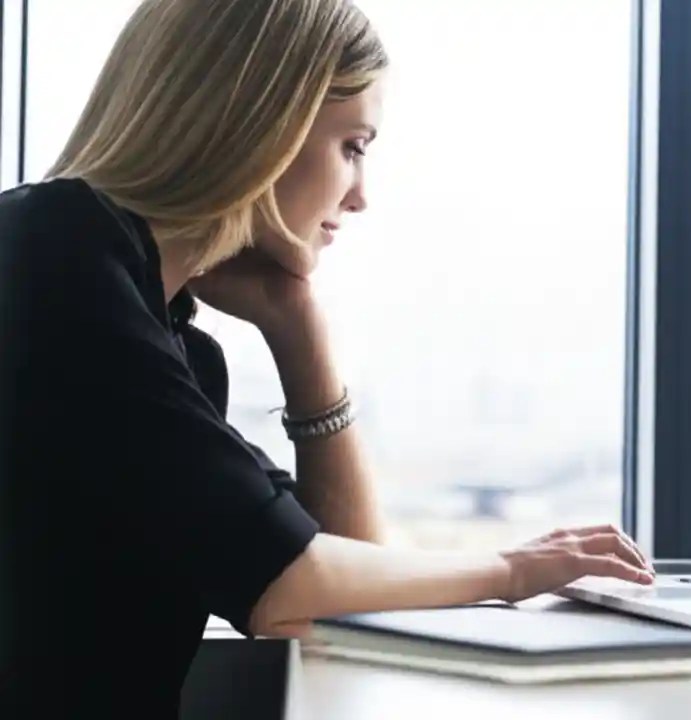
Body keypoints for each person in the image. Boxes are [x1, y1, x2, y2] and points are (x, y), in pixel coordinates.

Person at [0, 0, 654, 715]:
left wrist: (299, 332)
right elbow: (290, 585)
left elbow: (347, 584)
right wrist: (516, 568)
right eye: (353, 146)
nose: (361, 195)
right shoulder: (53, 256)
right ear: (260, 124)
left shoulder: (167, 337)